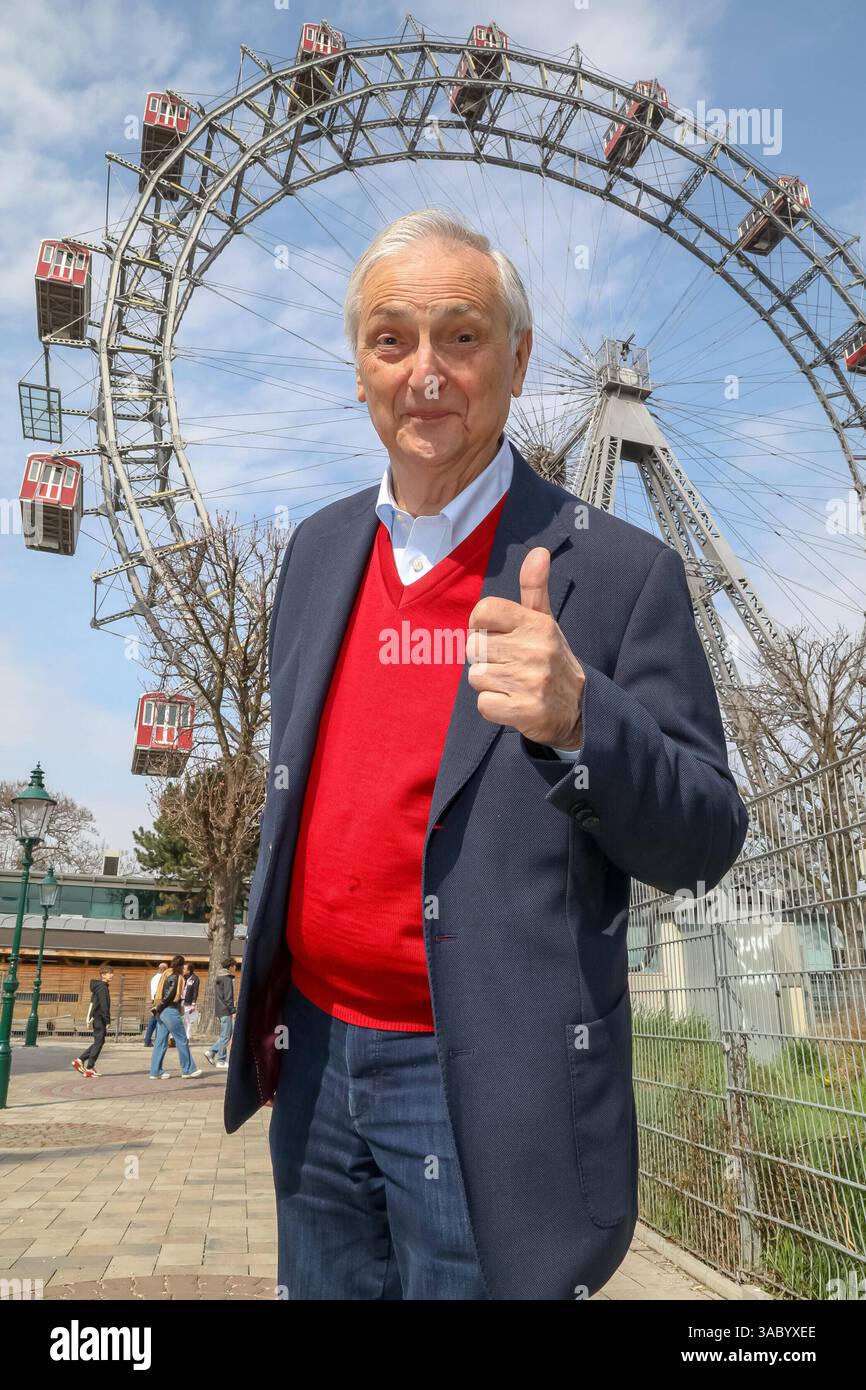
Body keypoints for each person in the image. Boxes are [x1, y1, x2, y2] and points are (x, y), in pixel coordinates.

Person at [224, 209, 750, 1300]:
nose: (425, 372)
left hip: (488, 1084)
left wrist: (578, 720)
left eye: (459, 337)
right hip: (316, 1059)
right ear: (359, 368)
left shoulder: (617, 576)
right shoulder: (317, 552)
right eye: (390, 339)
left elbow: (706, 829)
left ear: (515, 358)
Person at [148, 954, 202, 1079]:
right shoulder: (176, 977)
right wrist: (160, 1007)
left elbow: (162, 992)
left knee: (160, 1042)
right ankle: (188, 1069)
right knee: (182, 1039)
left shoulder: (166, 974)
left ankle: (155, 1071)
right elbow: (171, 993)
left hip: (161, 1012)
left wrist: (157, 1008)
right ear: (181, 965)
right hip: (170, 1010)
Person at [73, 964, 113, 1078]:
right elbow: (104, 1005)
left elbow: (93, 1002)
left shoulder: (98, 987)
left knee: (99, 1041)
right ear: (103, 975)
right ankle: (89, 1067)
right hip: (100, 1018)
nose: (112, 975)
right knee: (99, 1042)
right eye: (109, 973)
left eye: (111, 973)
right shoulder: (102, 987)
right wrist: (108, 1020)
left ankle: (81, 1061)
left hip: (96, 1017)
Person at [203, 959, 236, 1069]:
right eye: (234, 966)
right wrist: (233, 1010)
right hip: (226, 1010)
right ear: (230, 966)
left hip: (220, 1009)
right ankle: (221, 1060)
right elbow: (228, 997)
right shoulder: (227, 979)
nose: (235, 968)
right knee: (226, 1036)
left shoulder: (219, 977)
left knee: (226, 1035)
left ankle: (211, 1052)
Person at [144, 961, 168, 1046]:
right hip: (159, 1001)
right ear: (165, 969)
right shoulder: (163, 978)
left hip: (153, 1000)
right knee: (160, 1021)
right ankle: (159, 1041)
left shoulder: (153, 978)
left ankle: (147, 1041)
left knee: (152, 1022)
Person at [181, 962, 200, 1039]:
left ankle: (187, 1037)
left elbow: (195, 991)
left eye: (184, 969)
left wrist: (193, 1004)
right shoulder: (182, 977)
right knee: (180, 1019)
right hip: (180, 1001)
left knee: (187, 1021)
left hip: (188, 1003)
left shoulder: (195, 979)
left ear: (189, 970)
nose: (183, 970)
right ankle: (175, 1038)